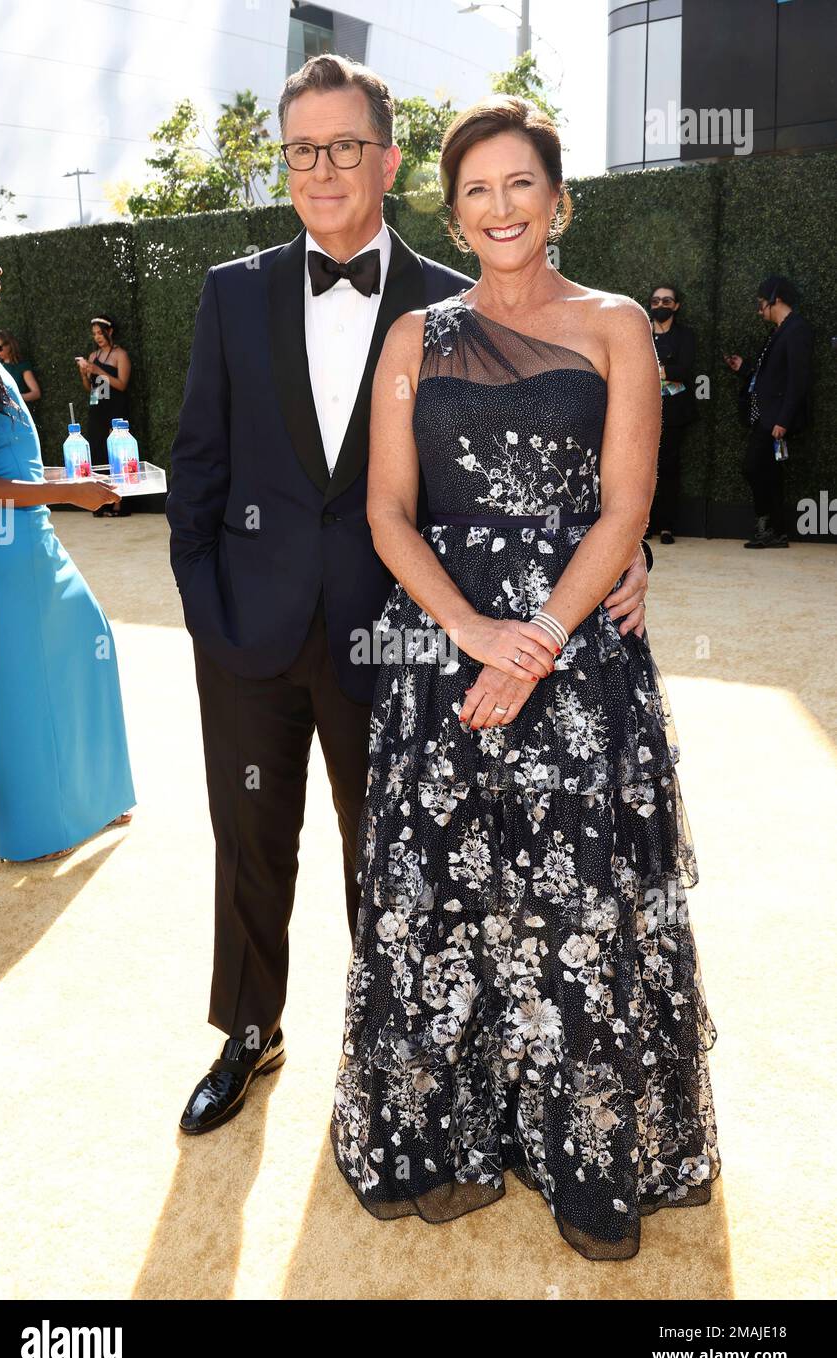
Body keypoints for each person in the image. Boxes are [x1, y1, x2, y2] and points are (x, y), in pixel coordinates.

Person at [166, 54, 653, 1137]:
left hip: (395, 636)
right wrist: (204, 604)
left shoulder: (457, 298)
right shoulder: (230, 292)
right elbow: (194, 466)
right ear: (285, 163)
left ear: (387, 160)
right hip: (246, 626)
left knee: (392, 858)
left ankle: (391, 1050)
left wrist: (625, 551)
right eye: (303, 149)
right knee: (248, 836)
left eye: (345, 146)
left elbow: (541, 473)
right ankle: (247, 1031)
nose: (323, 167)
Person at [329, 95, 720, 1263]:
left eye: (519, 185)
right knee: (437, 896)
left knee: (575, 903)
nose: (498, 209)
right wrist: (467, 633)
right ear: (452, 213)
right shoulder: (414, 337)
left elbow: (624, 509)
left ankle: (586, 1153)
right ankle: (444, 1132)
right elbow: (388, 514)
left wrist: (537, 639)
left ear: (556, 198)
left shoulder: (613, 327)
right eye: (474, 192)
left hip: (578, 652)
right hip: (441, 658)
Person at [0, 222, 135, 862]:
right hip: (8, 539)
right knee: (54, 652)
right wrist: (67, 496)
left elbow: (9, 460)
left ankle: (81, 802)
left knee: (69, 647)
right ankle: (41, 822)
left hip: (23, 528)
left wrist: (66, 476)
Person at [724, 275, 813, 549]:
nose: (759, 310)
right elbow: (772, 376)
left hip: (774, 418)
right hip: (769, 416)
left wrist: (783, 420)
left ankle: (769, 526)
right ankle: (774, 529)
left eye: (762, 303)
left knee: (754, 467)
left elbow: (798, 380)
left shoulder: (796, 330)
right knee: (768, 472)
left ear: (776, 299)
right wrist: (745, 369)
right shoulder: (781, 330)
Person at [646, 283, 696, 544]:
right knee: (643, 469)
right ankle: (646, 524)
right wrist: (664, 369)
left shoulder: (685, 335)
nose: (661, 306)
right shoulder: (642, 333)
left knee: (669, 468)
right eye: (656, 301)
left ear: (676, 306)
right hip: (642, 412)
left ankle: (667, 525)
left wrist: (657, 370)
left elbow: (684, 369)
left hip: (675, 414)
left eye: (667, 301)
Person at [76, 314, 132, 518]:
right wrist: (84, 373)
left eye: (100, 332)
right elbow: (90, 388)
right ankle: (102, 502)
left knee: (117, 456)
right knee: (98, 455)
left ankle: (120, 503)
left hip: (115, 409)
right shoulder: (93, 355)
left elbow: (122, 385)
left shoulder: (120, 355)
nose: (97, 337)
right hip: (97, 409)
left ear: (110, 331)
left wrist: (98, 370)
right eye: (94, 334)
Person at [0, 329, 41, 407]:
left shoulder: (22, 366)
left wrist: (13, 398)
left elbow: (36, 393)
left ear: (9, 345)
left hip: (21, 412)